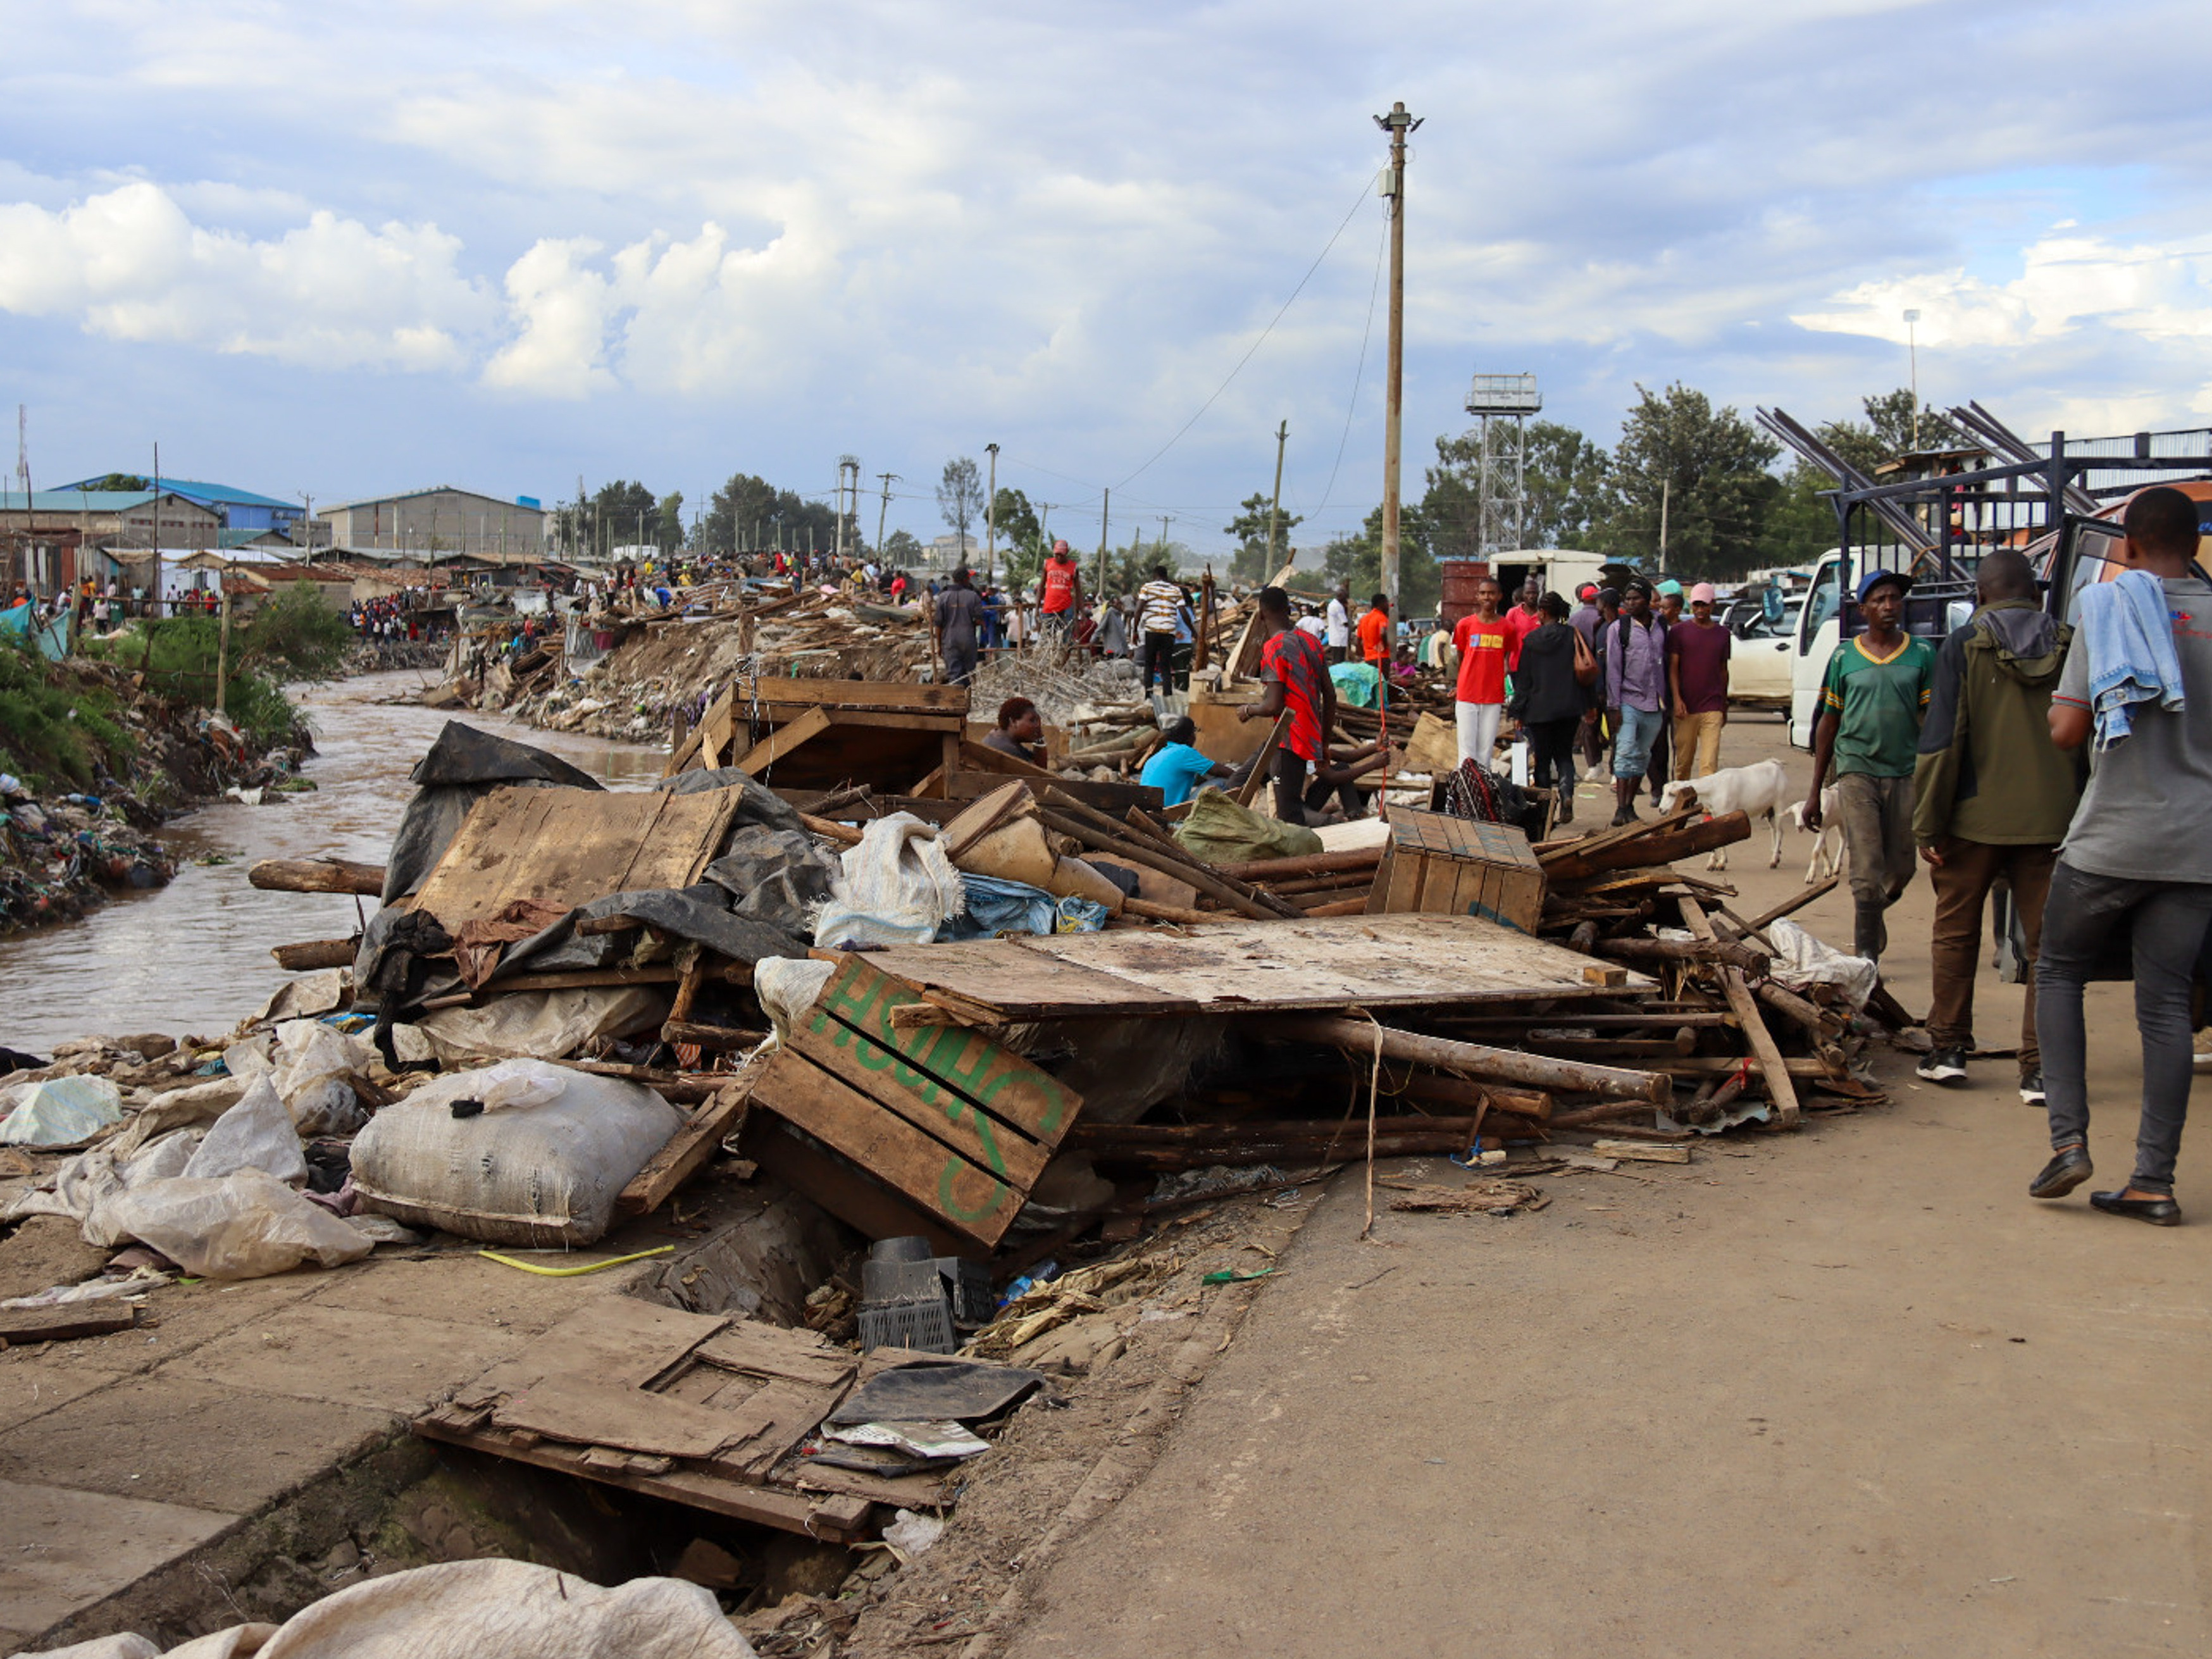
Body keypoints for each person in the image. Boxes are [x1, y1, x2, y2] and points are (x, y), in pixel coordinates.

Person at [2031, 486, 2212, 1226]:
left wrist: (2058, 705)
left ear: (2128, 548)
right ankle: (2153, 1182)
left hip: (2110, 839)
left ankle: (2069, 1141)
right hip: (2197, 846)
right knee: (2166, 1006)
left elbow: (2067, 733)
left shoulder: (2107, 613)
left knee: (2059, 971)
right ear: (2195, 546)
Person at [1911, 547, 2077, 1101]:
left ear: (1979, 595)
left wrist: (1928, 824)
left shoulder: (1962, 646)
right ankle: (2040, 1069)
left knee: (1955, 936)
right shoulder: (2071, 644)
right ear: (2034, 594)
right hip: (2054, 823)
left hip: (1970, 820)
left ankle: (1949, 1048)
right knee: (2049, 950)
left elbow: (1943, 741)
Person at [1802, 569, 1936, 966]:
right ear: (1863, 609)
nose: (1889, 606)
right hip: (1857, 768)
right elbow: (1829, 721)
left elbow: (1931, 721)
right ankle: (1866, 957)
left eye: (1895, 598)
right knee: (1866, 861)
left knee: (1902, 866)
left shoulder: (1923, 654)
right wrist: (1814, 791)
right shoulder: (1845, 657)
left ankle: (1874, 913)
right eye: (1879, 600)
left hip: (1906, 771)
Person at [1238, 585, 1336, 826]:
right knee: (1291, 802)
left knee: (1289, 815)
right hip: (1310, 736)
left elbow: (1273, 706)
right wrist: (1323, 742)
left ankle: (1330, 826)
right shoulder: (1312, 642)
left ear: (1261, 614)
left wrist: (1248, 710)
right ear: (1288, 610)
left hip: (1288, 740)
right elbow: (1331, 696)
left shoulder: (1274, 647)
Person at [1507, 593, 1592, 823]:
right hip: (1569, 706)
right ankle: (1567, 795)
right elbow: (1585, 672)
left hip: (1539, 709)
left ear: (1542, 613)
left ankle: (1546, 810)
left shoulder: (1532, 640)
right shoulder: (1574, 636)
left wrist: (1518, 712)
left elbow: (1524, 681)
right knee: (1564, 754)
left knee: (1543, 760)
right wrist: (1589, 705)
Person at [1602, 578, 1669, 825]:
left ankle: (1630, 806)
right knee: (1625, 752)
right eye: (1627, 599)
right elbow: (1613, 670)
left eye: (1636, 598)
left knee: (1642, 755)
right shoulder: (1619, 629)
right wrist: (1614, 706)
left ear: (1647, 600)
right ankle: (1620, 809)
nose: (1630, 603)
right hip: (1628, 700)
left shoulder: (1660, 624)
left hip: (1655, 703)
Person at [1666, 581, 1731, 779]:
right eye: (1696, 605)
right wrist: (1677, 700)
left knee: (1709, 763)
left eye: (1704, 605)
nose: (1700, 609)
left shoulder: (1722, 634)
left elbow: (1723, 670)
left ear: (1713, 604)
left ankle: (1707, 806)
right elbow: (1673, 669)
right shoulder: (1679, 632)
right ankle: (1681, 802)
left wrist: (1724, 703)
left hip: (1712, 705)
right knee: (1683, 762)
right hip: (1686, 707)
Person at [1449, 578, 1510, 772]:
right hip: (1467, 694)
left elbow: (1507, 658)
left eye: (1491, 593)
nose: (1487, 597)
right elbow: (1460, 656)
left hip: (1493, 696)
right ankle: (1466, 796)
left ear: (1499, 597)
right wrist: (1462, 682)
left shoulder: (1508, 628)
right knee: (1466, 752)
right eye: (1483, 593)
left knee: (1485, 753)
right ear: (1477, 596)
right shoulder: (1465, 625)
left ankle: (1482, 797)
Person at [1139, 716, 1235, 808]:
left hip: (1150, 810)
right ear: (1189, 736)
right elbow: (1218, 770)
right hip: (1169, 812)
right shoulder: (1184, 752)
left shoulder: (1156, 757)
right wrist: (1241, 777)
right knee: (1222, 782)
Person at [1136, 565, 1183, 695]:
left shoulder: (1147, 587)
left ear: (1154, 575)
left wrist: (1134, 630)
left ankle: (1148, 695)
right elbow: (1183, 612)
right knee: (1165, 666)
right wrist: (1193, 631)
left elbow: (1139, 609)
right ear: (1166, 576)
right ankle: (1167, 695)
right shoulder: (1176, 590)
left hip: (1152, 630)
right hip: (1168, 632)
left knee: (1150, 665)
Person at [934, 567, 985, 687]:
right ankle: (965, 700)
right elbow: (979, 620)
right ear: (967, 579)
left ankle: (958, 701)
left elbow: (938, 624)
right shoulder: (973, 596)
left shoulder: (942, 597)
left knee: (955, 675)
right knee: (966, 673)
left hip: (950, 641)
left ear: (953, 579)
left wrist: (939, 645)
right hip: (968, 640)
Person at [982, 696, 1047, 766]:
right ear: (1013, 722)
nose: (1038, 725)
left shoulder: (997, 736)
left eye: (1038, 721)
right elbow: (1040, 773)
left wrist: (1039, 739)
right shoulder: (1009, 750)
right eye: (1032, 720)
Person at [1040, 541, 1082, 638]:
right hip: (1049, 607)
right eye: (1057, 554)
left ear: (1066, 552)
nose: (1059, 557)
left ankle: (1065, 652)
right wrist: (1038, 607)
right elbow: (1041, 586)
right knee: (1047, 639)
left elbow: (1078, 591)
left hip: (1066, 607)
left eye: (1061, 555)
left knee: (1066, 640)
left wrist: (1082, 612)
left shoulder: (1073, 567)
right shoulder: (1047, 564)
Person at [1357, 593, 1391, 671]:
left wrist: (1361, 654)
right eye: (1386, 603)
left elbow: (1358, 639)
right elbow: (1383, 633)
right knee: (1383, 681)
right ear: (1381, 603)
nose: (1388, 606)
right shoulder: (1382, 617)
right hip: (1381, 657)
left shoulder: (1364, 619)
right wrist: (1385, 647)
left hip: (1368, 659)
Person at [1326, 584, 1352, 665]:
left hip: (1335, 638)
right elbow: (1345, 622)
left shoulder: (1333, 604)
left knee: (1336, 660)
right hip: (1339, 639)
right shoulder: (1338, 607)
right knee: (1339, 661)